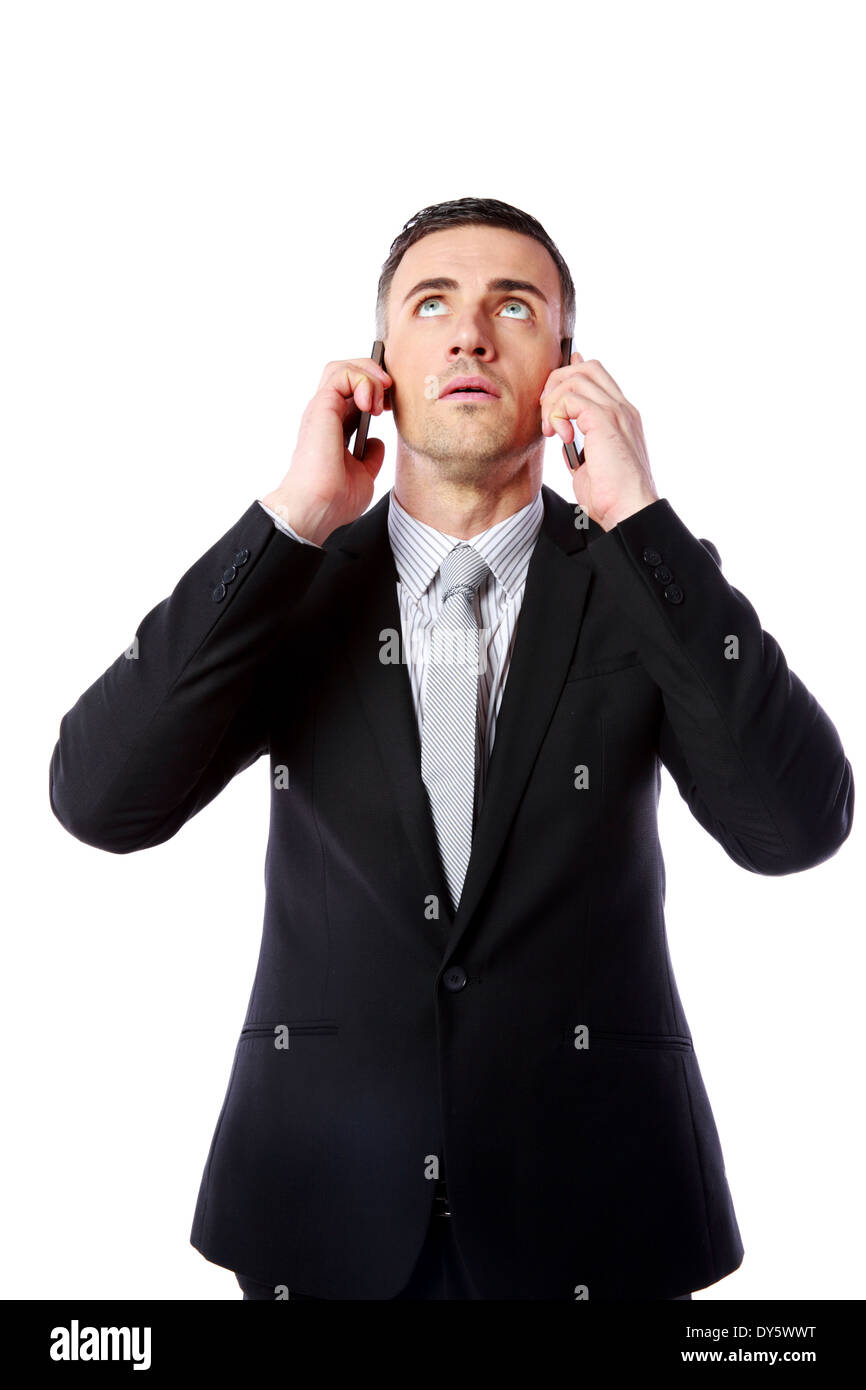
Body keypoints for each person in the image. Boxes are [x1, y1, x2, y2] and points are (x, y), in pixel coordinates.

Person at [49, 196, 854, 1301]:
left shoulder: (644, 583)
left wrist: (637, 518)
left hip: (599, 1216)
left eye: (511, 308)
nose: (470, 333)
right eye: (432, 306)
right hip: (318, 1207)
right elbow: (99, 798)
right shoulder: (296, 585)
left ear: (566, 369)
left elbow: (794, 825)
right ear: (379, 366)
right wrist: (292, 512)